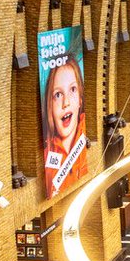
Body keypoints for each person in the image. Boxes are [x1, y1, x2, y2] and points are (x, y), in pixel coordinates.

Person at [42, 54, 88, 195]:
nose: (66, 102)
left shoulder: (84, 138)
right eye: (58, 95)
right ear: (50, 105)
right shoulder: (48, 155)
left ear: (80, 99)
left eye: (72, 89)